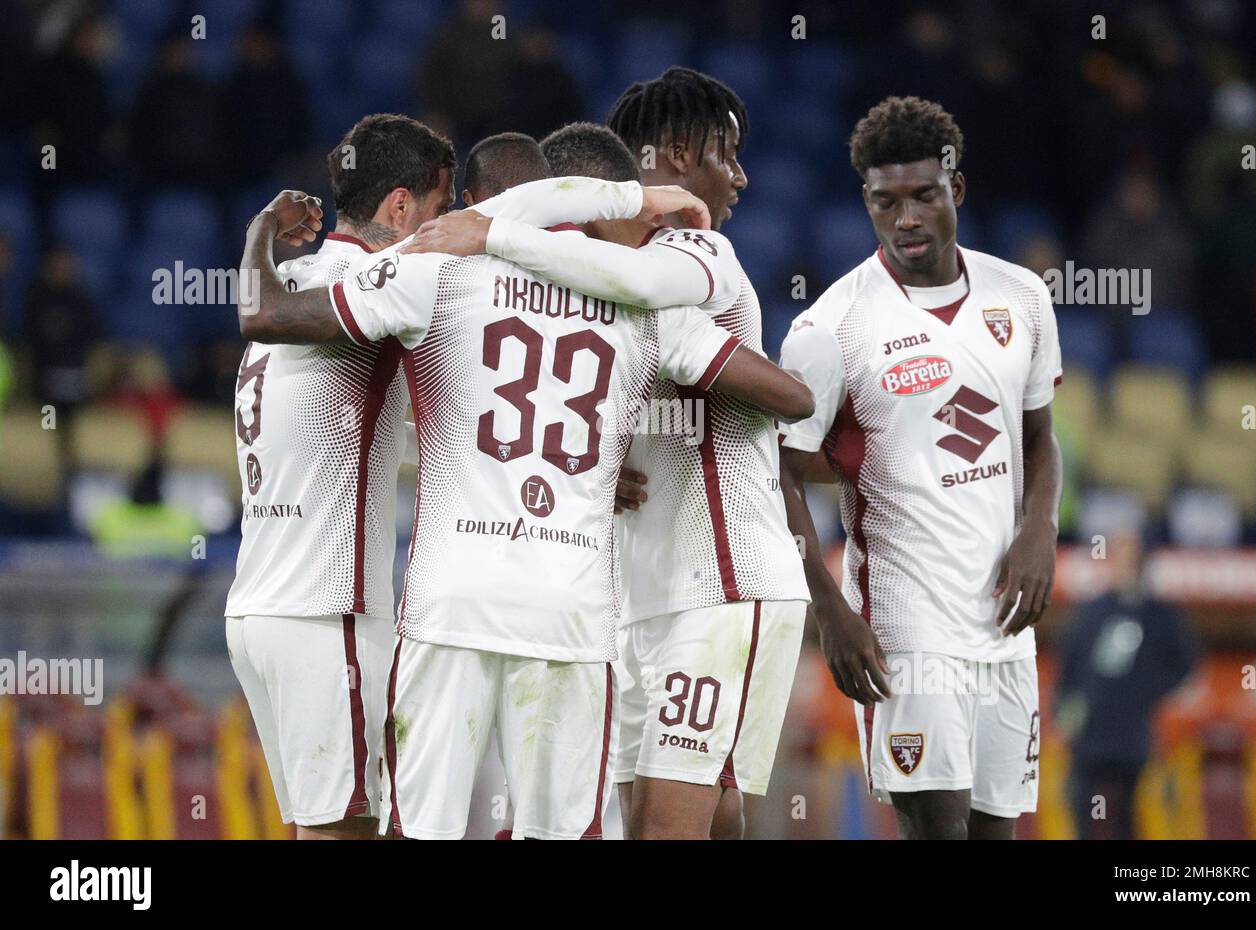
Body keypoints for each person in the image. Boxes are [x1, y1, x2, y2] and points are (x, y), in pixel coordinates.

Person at [236, 150, 813, 838]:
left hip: (453, 601)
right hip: (570, 610)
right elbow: (791, 397)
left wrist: (265, 230)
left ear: (479, 201)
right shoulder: (644, 299)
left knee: (419, 828)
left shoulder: (437, 268)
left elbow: (271, 316)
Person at [409, 71, 808, 840]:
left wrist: (490, 232)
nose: (742, 176)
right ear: (684, 154)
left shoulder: (697, 251)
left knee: (667, 823)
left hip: (720, 582)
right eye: (731, 155)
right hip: (632, 594)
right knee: (671, 816)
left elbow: (645, 290)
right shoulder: (573, 285)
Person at [778, 96, 1063, 839]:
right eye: (885, 201)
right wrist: (828, 607)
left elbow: (1040, 435)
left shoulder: (1023, 298)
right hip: (903, 628)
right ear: (867, 203)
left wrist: (1041, 528)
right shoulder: (831, 326)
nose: (905, 217)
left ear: (955, 191)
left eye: (922, 196)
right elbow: (775, 469)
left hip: (1003, 627)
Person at [224, 112, 456, 840]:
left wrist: (262, 226)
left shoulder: (292, 281)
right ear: (398, 206)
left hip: (259, 609)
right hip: (329, 613)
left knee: (318, 828)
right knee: (349, 832)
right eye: (441, 208)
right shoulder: (378, 282)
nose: (445, 228)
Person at [1056, 525, 1198, 840]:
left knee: (1127, 813)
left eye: (1132, 556)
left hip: (1133, 733)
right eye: (1119, 555)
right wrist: (1065, 713)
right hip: (1091, 729)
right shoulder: (1092, 612)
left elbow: (1185, 665)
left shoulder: (1161, 616)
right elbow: (1071, 667)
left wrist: (1149, 692)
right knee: (1082, 804)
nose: (1125, 563)